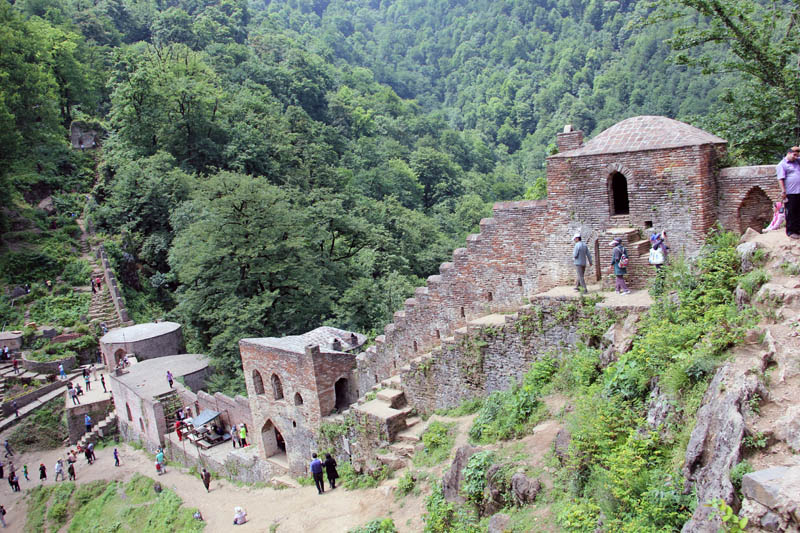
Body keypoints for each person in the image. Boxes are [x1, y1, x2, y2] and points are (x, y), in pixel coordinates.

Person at [778, 145, 800, 239]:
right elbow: (780, 179)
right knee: (791, 212)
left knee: (798, 212)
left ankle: (798, 230)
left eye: (797, 155)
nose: (796, 157)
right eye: (794, 155)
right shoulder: (782, 164)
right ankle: (791, 231)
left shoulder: (797, 161)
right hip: (790, 192)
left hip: (798, 191)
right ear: (789, 153)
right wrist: (783, 192)